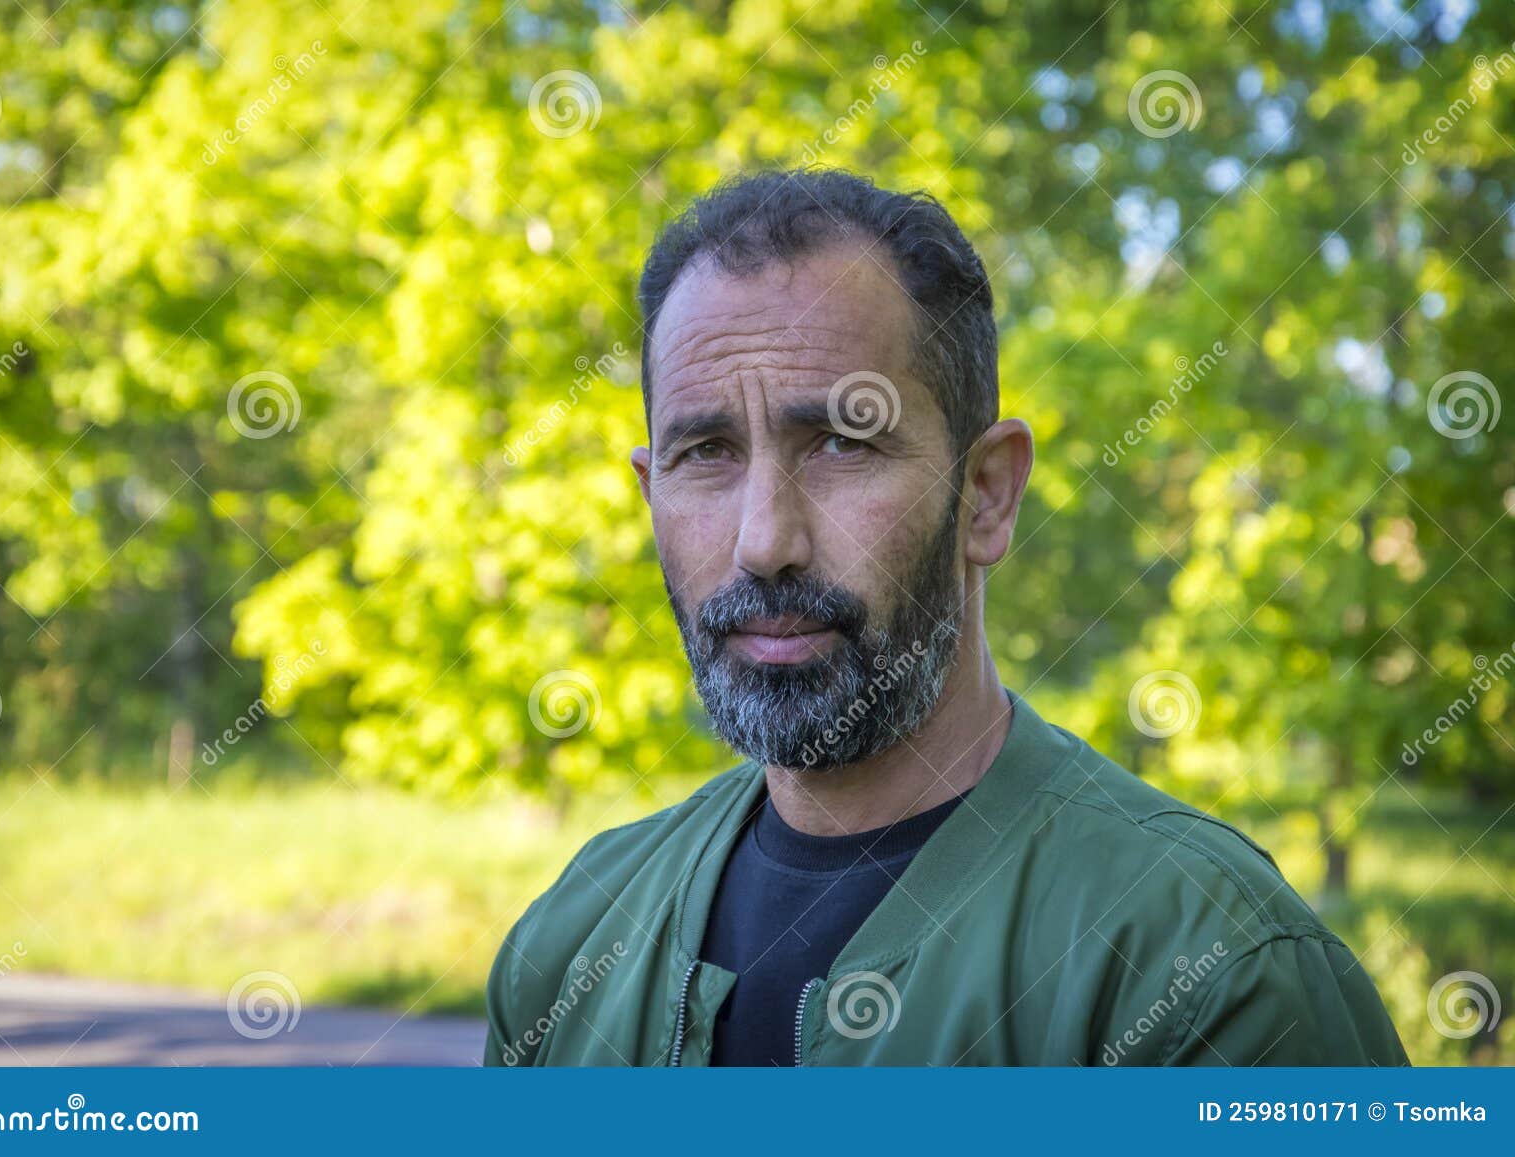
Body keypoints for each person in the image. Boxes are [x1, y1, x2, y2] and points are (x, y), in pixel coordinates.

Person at [483, 168, 1408, 1067]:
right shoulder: (570, 944)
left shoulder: (1212, 975)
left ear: (987, 495)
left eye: (843, 443)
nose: (765, 540)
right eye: (707, 452)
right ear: (651, 492)